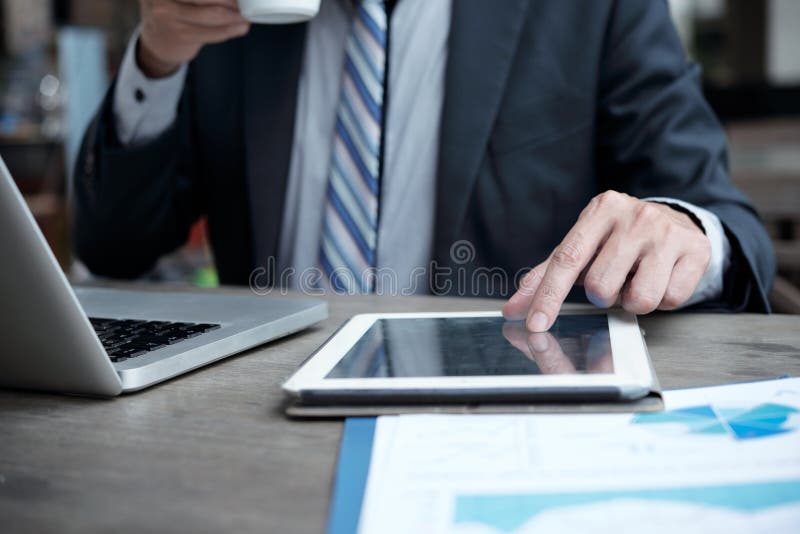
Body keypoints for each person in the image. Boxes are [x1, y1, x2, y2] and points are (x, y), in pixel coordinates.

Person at [73, 0, 775, 332]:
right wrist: (158, 57)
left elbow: (721, 218)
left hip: (501, 403)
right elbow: (112, 245)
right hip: (249, 409)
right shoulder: (228, 20)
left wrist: (680, 231)